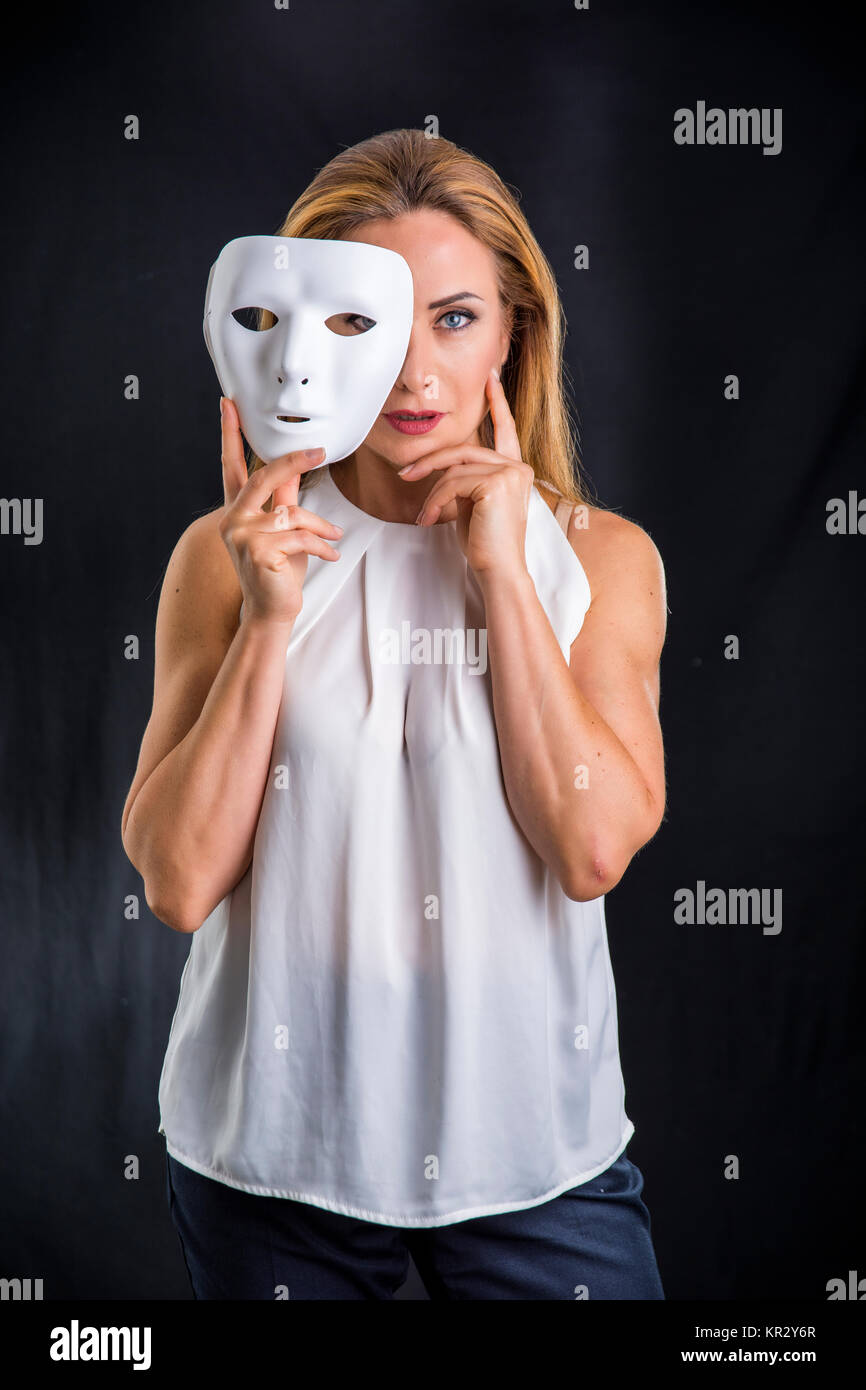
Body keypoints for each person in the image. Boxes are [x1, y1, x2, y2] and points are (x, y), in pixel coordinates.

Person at [121, 128, 668, 1300]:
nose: (418, 373)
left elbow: (591, 847)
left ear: (511, 333)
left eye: (456, 317)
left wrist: (504, 580)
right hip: (274, 1161)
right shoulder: (221, 563)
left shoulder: (597, 558)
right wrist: (271, 619)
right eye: (377, 320)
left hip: (536, 1158)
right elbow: (175, 882)